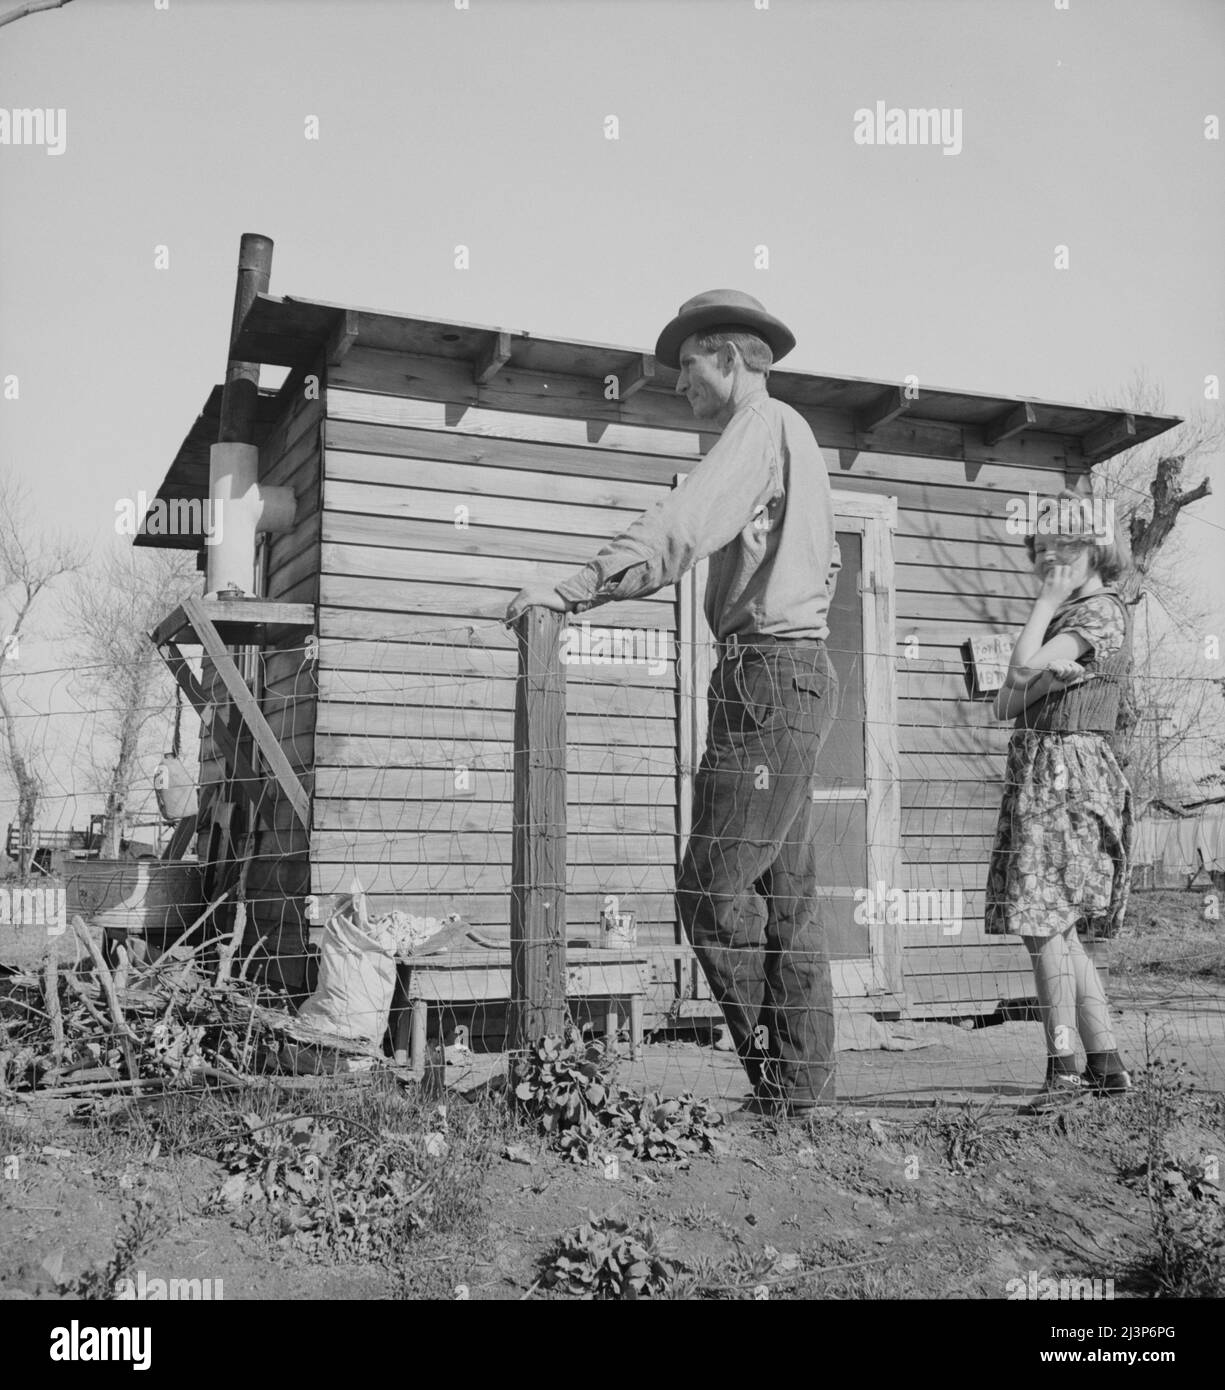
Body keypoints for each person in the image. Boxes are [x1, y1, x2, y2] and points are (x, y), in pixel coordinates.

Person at [505, 289, 841, 1117]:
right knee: (785, 900)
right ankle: (798, 1099)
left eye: (687, 367)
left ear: (728, 356)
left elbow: (687, 524)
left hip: (766, 678)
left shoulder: (758, 428)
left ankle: (774, 1076)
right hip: (791, 675)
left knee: (709, 886)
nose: (680, 385)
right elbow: (819, 566)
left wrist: (580, 584)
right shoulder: (796, 435)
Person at [986, 492, 1135, 1111]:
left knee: (1046, 921)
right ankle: (1106, 1063)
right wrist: (1043, 667)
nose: (1046, 558)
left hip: (1065, 776)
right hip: (1042, 773)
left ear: (1092, 548)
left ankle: (1065, 1065)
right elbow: (1004, 704)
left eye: (1059, 546)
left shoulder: (1097, 612)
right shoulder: (1071, 622)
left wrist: (1043, 609)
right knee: (1057, 927)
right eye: (1040, 549)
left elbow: (1018, 675)